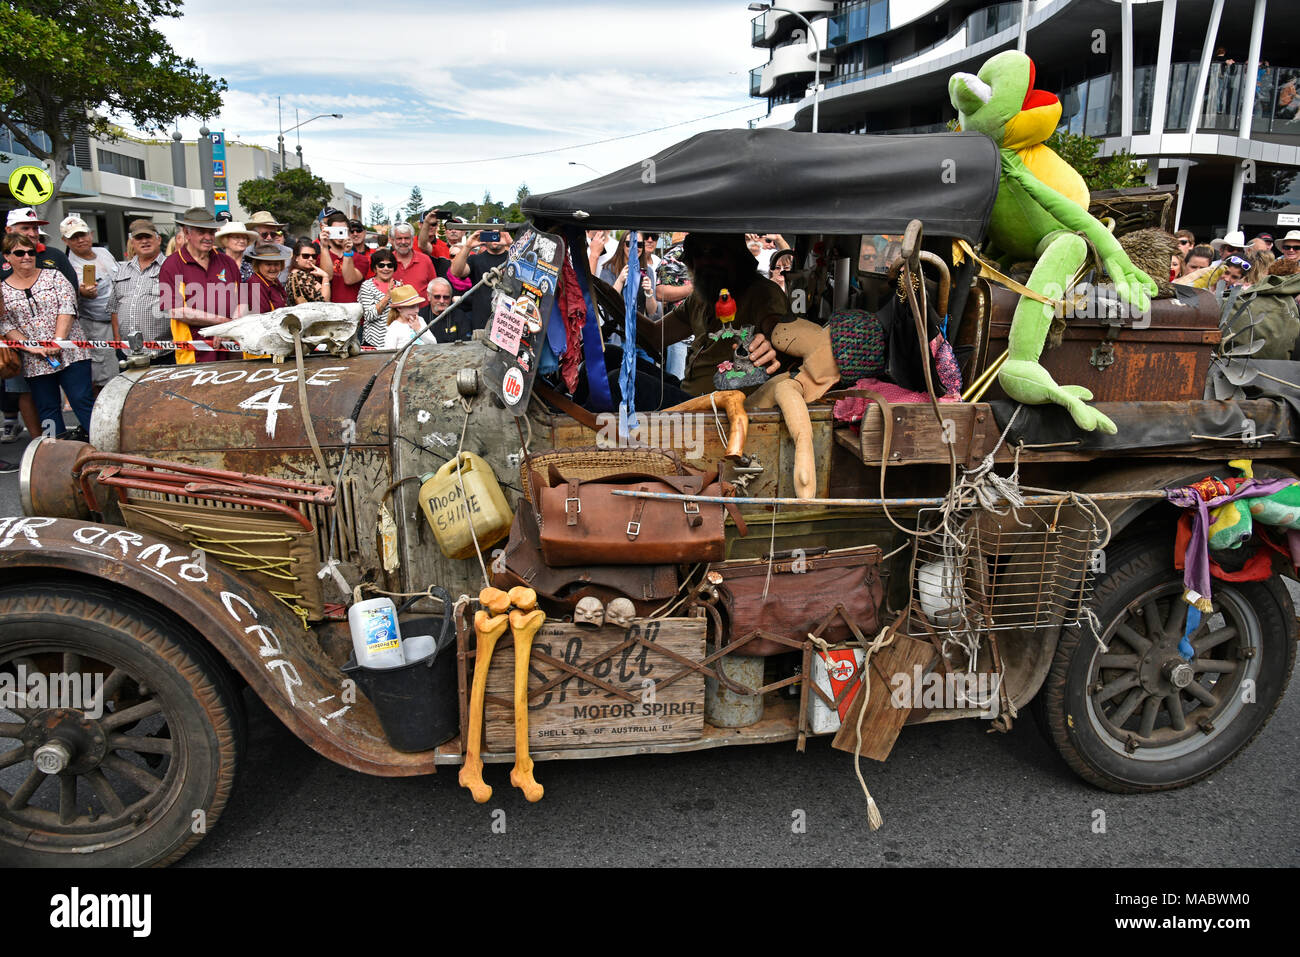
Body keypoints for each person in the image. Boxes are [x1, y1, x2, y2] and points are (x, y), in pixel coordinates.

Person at [0, 233, 96, 438]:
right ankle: (56, 452)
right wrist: (31, 347)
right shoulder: (3, 289)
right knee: (47, 408)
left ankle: (104, 447)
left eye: (30, 252)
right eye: (19, 252)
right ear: (7, 257)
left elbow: (68, 307)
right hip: (36, 359)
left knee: (82, 400)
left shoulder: (54, 276)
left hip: (71, 352)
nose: (26, 256)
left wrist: (58, 341)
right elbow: (5, 323)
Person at [157, 206, 244, 364]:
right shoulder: (171, 265)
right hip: (193, 355)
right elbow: (177, 311)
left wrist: (229, 329)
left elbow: (242, 302)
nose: (208, 237)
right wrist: (222, 323)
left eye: (211, 232)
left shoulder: (228, 262)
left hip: (231, 351)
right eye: (201, 232)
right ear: (187, 233)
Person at [60, 215, 119, 390]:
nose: (80, 240)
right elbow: (82, 292)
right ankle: (100, 414)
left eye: (83, 235)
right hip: (97, 325)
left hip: (121, 320)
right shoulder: (68, 264)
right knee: (104, 376)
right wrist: (85, 292)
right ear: (65, 240)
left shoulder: (103, 252)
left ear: (91, 234)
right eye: (73, 237)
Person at [108, 219, 171, 366]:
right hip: (128, 354)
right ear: (132, 242)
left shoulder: (171, 267)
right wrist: (118, 342)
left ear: (158, 239)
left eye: (148, 237)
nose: (144, 241)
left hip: (163, 354)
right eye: (139, 238)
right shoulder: (122, 269)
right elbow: (114, 308)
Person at [450, 227, 511, 339]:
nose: (494, 237)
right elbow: (456, 271)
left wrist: (511, 244)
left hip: (509, 323)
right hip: (481, 323)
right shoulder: (475, 259)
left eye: (497, 234)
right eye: (489, 234)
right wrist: (468, 246)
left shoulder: (514, 257)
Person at [317, 212, 370, 304]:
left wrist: (347, 253)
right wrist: (324, 247)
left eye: (342, 231)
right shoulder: (321, 257)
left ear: (349, 232)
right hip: (330, 312)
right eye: (335, 231)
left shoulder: (362, 259)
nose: (339, 235)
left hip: (353, 313)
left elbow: (349, 280)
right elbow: (327, 277)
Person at [358, 248, 400, 348]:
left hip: (396, 342)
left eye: (390, 265)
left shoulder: (399, 286)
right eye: (381, 265)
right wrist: (388, 297)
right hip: (374, 344)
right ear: (375, 268)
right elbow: (368, 316)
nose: (386, 268)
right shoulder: (367, 286)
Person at [382, 284, 434, 350]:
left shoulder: (420, 320)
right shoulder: (394, 328)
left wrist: (419, 329)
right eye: (412, 307)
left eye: (417, 305)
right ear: (399, 308)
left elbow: (433, 343)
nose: (417, 310)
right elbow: (389, 354)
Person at [247, 211, 293, 283]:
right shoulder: (245, 253)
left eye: (273, 234)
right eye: (264, 234)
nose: (269, 238)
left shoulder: (288, 253)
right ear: (254, 234)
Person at [242, 243, 289, 313]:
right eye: (268, 264)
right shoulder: (255, 283)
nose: (273, 268)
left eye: (276, 264)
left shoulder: (274, 280)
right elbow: (260, 315)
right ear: (258, 265)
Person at [390, 223, 438, 291]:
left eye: (407, 238)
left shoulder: (425, 260)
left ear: (412, 239)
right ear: (393, 240)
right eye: (399, 238)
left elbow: (434, 287)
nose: (403, 242)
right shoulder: (387, 261)